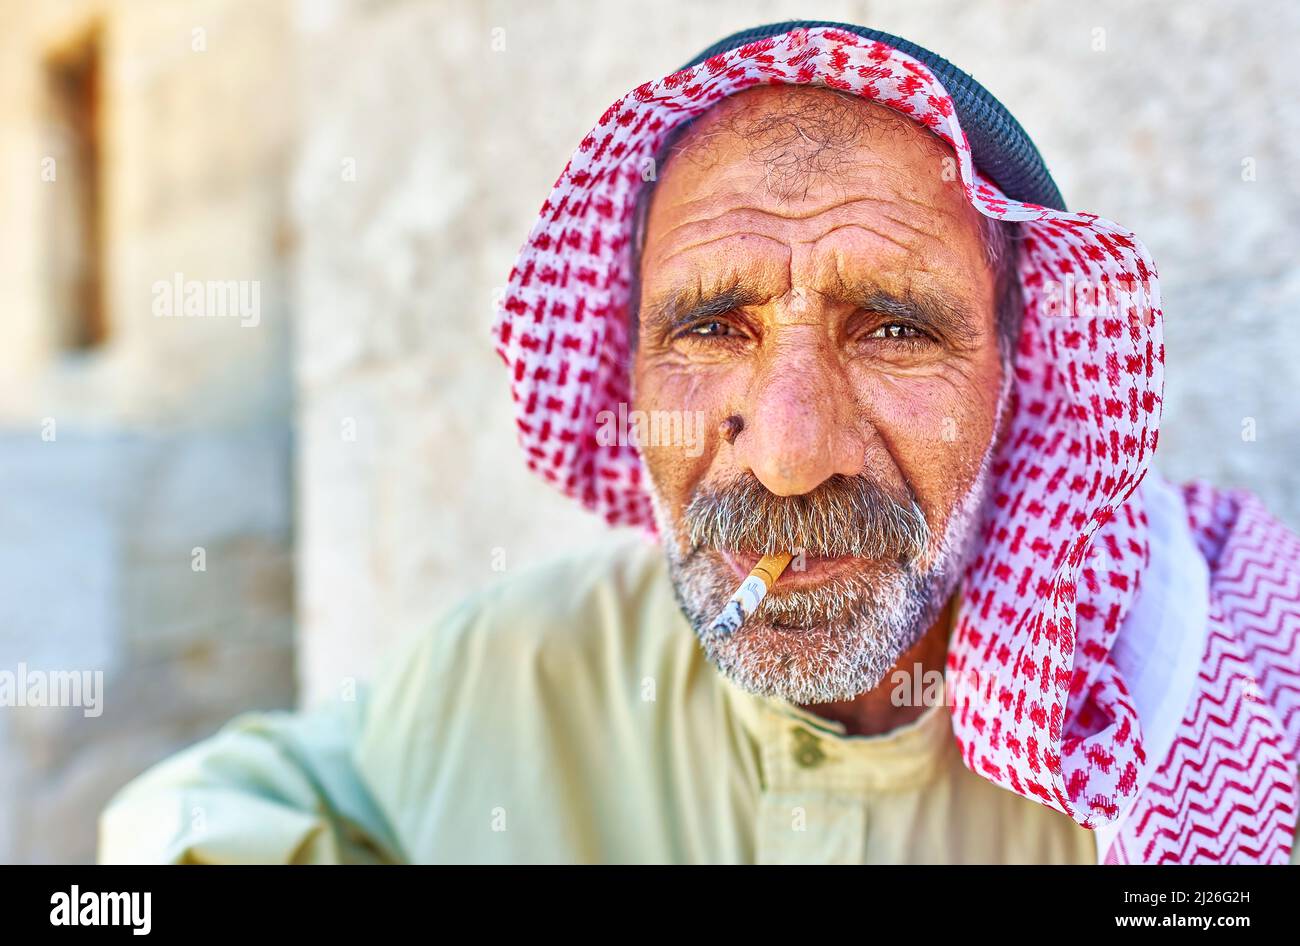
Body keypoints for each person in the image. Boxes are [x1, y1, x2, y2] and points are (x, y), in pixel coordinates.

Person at [100, 21, 1300, 864]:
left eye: (891, 328)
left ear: (1019, 375)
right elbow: (204, 814)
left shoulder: (1181, 715)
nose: (787, 455)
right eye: (712, 326)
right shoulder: (529, 669)